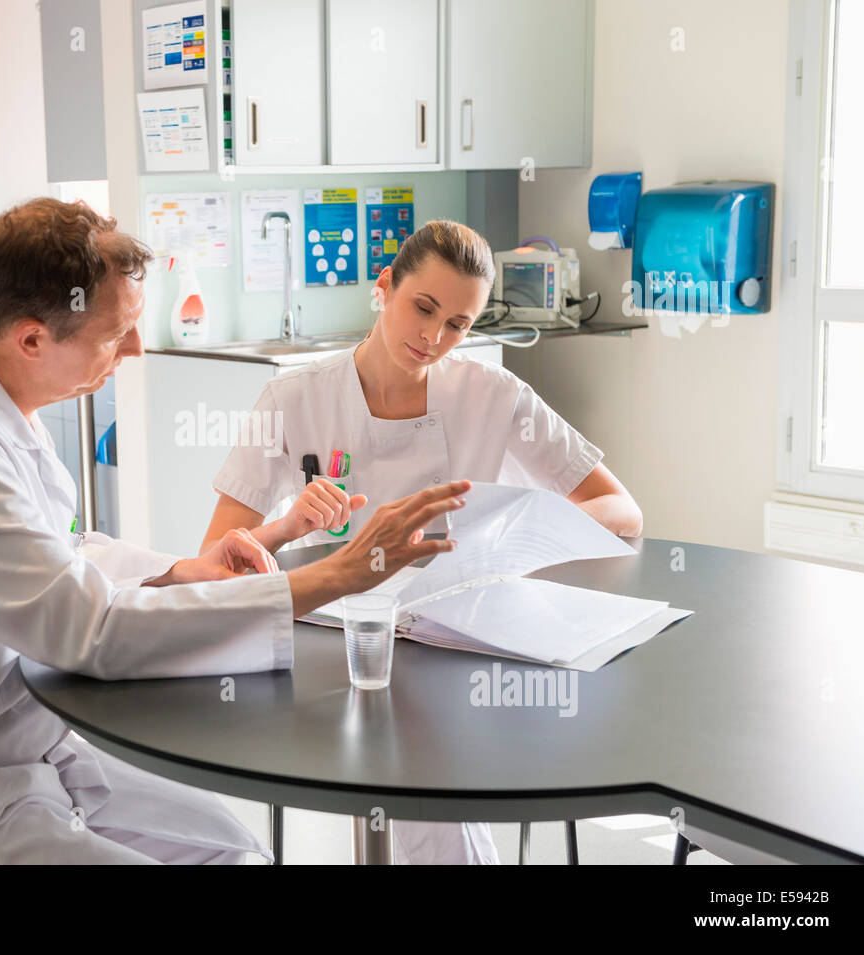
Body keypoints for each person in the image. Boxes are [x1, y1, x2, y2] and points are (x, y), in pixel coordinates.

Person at [0, 197, 470, 865]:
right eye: (116, 332)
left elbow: (56, 554)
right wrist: (329, 578)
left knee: (233, 849)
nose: (136, 349)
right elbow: (92, 631)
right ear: (33, 339)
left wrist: (178, 572)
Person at [203, 218, 643, 865]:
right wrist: (290, 523)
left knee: (443, 752)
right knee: (425, 761)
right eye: (423, 308)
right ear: (384, 287)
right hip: (337, 642)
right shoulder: (295, 398)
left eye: (458, 325)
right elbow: (214, 557)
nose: (433, 338)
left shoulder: (491, 394)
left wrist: (519, 527)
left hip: (457, 636)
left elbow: (622, 509)